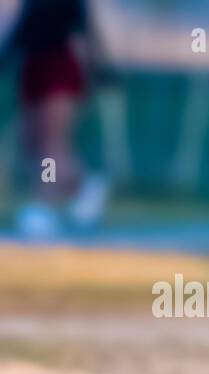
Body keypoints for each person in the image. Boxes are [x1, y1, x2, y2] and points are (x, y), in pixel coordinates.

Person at [0, 0, 111, 237]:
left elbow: (87, 30)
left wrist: (98, 66)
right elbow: (23, 28)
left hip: (60, 67)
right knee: (30, 143)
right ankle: (83, 185)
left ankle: (44, 205)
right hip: (32, 68)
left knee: (52, 143)